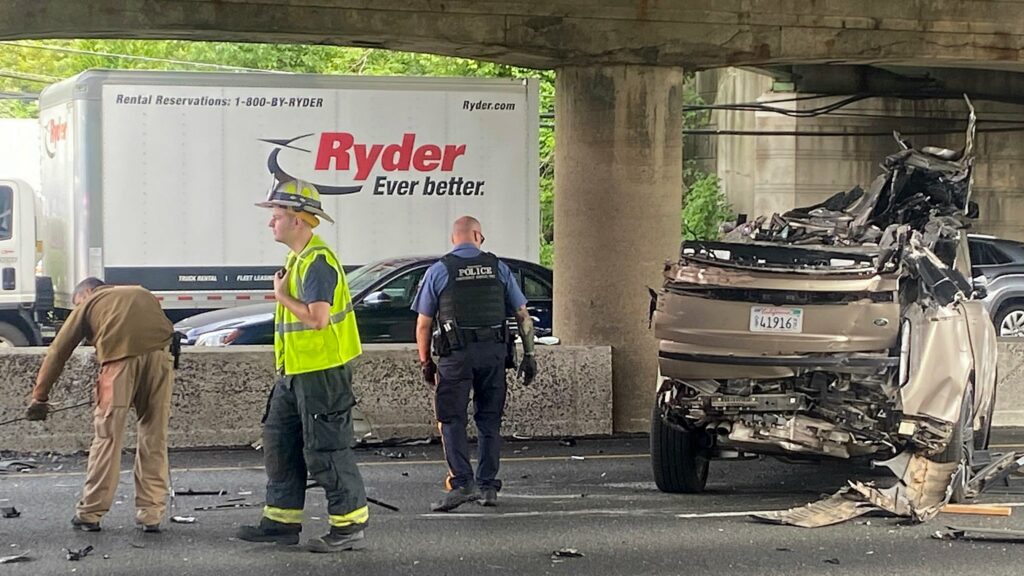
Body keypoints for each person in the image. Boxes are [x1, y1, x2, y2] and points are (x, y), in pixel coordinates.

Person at [237, 178, 369, 553]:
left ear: (298, 220)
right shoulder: (297, 259)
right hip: (293, 373)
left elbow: (317, 319)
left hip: (321, 374)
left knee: (326, 449)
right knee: (279, 442)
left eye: (276, 216)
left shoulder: (318, 262)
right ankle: (281, 520)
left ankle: (349, 525)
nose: (270, 223)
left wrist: (280, 296)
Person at [25, 278, 175, 533]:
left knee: (107, 439)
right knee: (153, 437)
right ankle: (151, 514)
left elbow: (58, 352)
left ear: (86, 293)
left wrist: (40, 397)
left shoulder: (90, 301)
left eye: (77, 304)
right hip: (161, 360)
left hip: (119, 365)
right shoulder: (141, 292)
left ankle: (90, 513)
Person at [411, 215, 538, 512]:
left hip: (455, 357)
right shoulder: (499, 268)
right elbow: (522, 315)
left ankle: (462, 483)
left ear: (454, 238)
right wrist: (530, 355)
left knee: (452, 420)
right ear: (478, 236)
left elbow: (423, 324)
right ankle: (488, 486)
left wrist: (425, 361)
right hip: (494, 355)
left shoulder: (439, 270)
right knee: (489, 420)